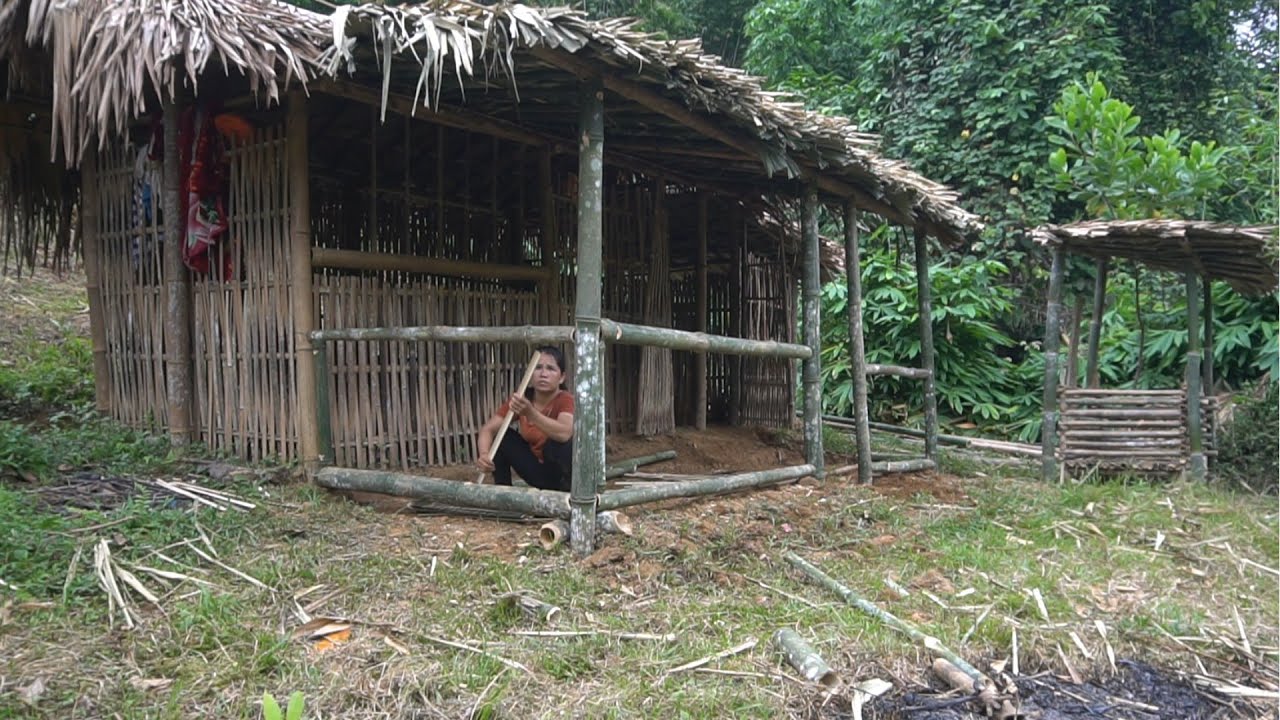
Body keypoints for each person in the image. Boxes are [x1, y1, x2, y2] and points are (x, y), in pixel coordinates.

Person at [475, 346, 574, 491]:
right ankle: (504, 495)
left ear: (562, 377)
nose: (543, 374)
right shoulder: (522, 399)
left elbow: (565, 433)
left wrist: (531, 413)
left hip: (562, 476)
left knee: (555, 443)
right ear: (530, 374)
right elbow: (488, 429)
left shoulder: (565, 399)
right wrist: (484, 455)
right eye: (538, 367)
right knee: (501, 436)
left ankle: (565, 495)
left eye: (551, 369)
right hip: (536, 471)